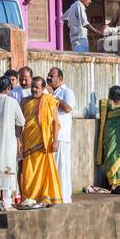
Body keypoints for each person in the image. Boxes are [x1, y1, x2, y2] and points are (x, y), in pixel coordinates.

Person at [19, 76, 63, 207]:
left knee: (43, 171)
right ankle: (29, 196)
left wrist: (55, 141)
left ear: (43, 88)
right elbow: (20, 122)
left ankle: (42, 196)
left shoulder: (49, 100)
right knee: (28, 170)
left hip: (44, 141)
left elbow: (55, 122)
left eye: (36, 87)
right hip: (28, 140)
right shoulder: (24, 102)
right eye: (32, 86)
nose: (33, 89)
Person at [0, 74, 24, 212]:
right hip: (8, 141)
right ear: (8, 88)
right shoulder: (12, 102)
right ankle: (7, 203)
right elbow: (21, 121)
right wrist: (17, 137)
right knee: (8, 169)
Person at [45, 67, 76, 203]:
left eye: (52, 76)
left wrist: (53, 97)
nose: (49, 78)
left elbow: (68, 108)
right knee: (50, 170)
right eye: (49, 75)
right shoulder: (47, 93)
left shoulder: (67, 92)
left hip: (62, 138)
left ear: (60, 79)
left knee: (61, 168)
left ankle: (63, 197)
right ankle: (52, 196)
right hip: (48, 137)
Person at [96, 84, 120, 192]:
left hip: (115, 134)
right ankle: (115, 182)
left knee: (115, 155)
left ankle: (118, 182)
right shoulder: (118, 104)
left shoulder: (107, 103)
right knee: (112, 154)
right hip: (113, 134)